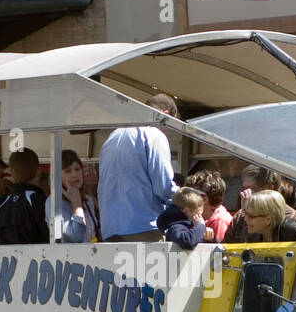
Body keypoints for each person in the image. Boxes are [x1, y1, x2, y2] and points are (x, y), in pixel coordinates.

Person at [97, 93, 177, 241]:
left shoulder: (112, 136)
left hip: (110, 230)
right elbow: (163, 188)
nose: (166, 131)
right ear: (165, 115)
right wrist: (187, 199)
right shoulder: (154, 134)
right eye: (168, 126)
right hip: (144, 228)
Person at [0, 149, 49, 244]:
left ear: (11, 174)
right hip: (39, 257)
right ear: (38, 171)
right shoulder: (43, 202)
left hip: (8, 258)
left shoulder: (0, 207)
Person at [45, 150, 99, 243]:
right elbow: (75, 238)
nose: (75, 174)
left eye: (77, 169)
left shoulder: (88, 200)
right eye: (68, 171)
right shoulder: (54, 202)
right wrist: (76, 204)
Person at [228, 189, 296, 243]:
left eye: (250, 215)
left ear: (268, 219)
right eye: (245, 214)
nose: (245, 219)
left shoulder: (294, 233)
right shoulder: (255, 232)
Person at [185, 169, 230, 243]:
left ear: (204, 198)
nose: (186, 200)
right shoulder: (204, 219)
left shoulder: (219, 221)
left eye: (190, 195)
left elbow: (218, 253)